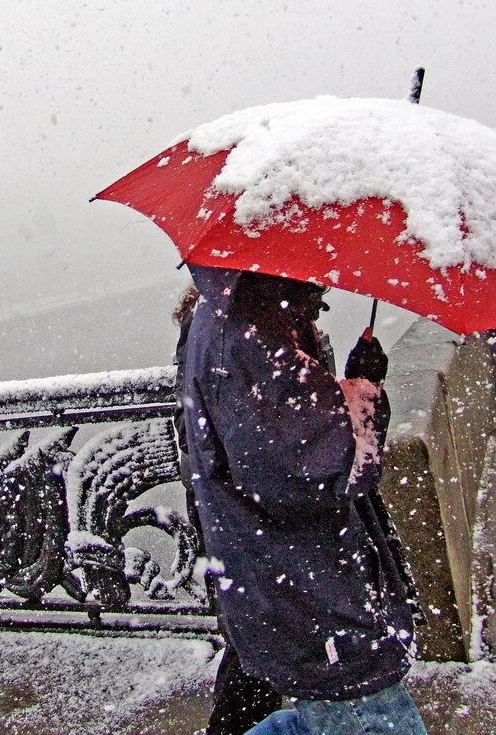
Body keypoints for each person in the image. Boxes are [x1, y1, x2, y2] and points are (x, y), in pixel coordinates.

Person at [180, 267, 427, 735]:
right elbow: (320, 471)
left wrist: (340, 385)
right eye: (317, 287)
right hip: (311, 586)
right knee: (367, 714)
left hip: (282, 575)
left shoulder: (230, 319)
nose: (324, 296)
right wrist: (364, 392)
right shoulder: (252, 337)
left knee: (321, 713)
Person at [173, 284, 284, 735]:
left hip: (225, 513)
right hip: (245, 517)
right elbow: (267, 445)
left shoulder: (208, 325)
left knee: (254, 644)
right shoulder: (233, 331)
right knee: (258, 648)